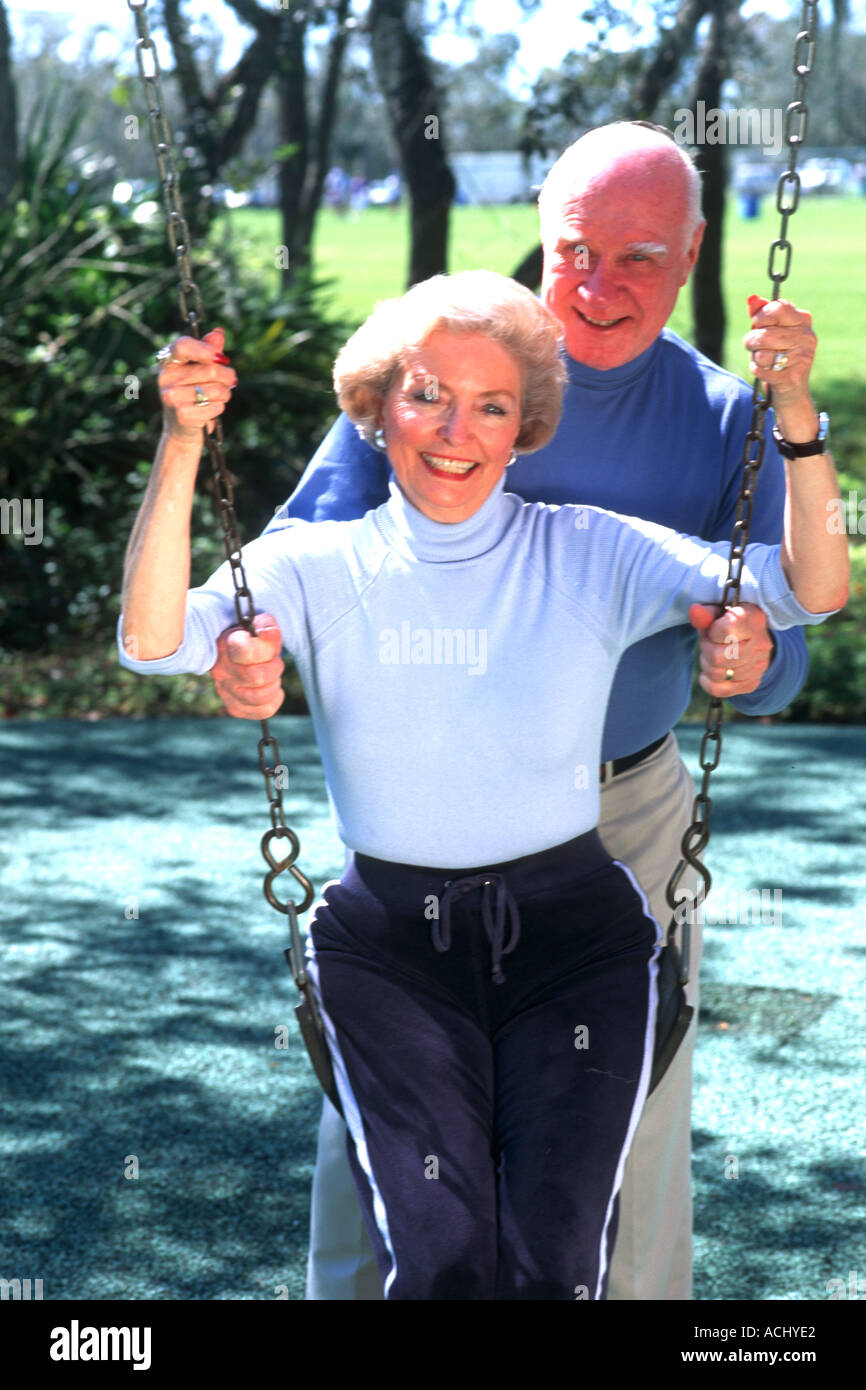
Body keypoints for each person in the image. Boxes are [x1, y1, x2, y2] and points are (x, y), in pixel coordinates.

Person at [118, 268, 846, 1300]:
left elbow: (804, 590)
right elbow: (151, 644)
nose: (456, 431)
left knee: (555, 1264)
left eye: (491, 405)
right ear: (375, 409)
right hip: (388, 949)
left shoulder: (587, 551)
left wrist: (796, 421)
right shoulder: (313, 566)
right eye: (426, 395)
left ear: (523, 427)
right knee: (439, 1258)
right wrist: (184, 438)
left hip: (573, 940)